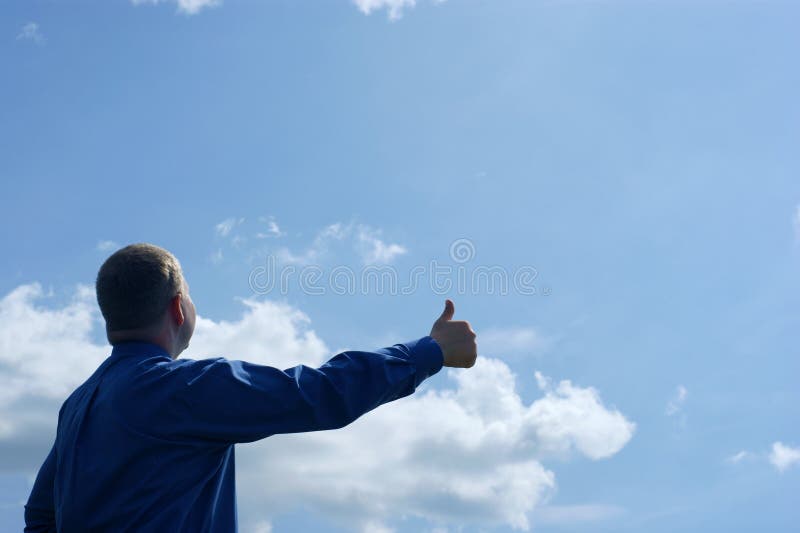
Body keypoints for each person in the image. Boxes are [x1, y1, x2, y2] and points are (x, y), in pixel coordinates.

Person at [23, 243, 478, 532]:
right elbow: (318, 393)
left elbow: (40, 516)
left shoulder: (77, 406)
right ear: (178, 309)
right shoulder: (184, 388)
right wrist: (430, 351)